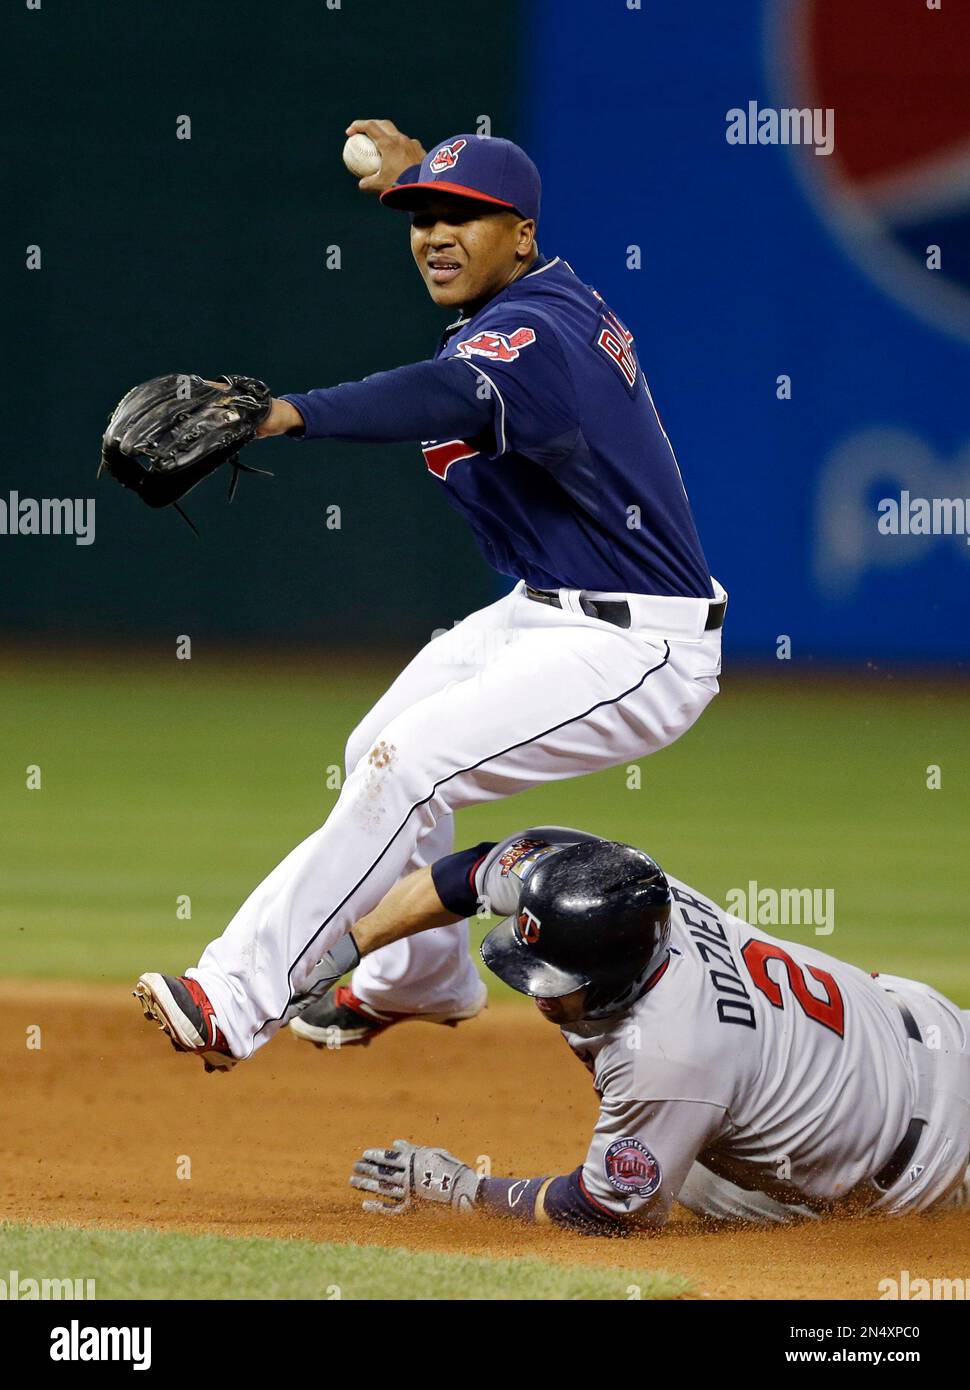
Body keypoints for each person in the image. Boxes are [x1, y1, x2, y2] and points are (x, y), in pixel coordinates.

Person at [134, 122, 725, 1071]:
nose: (434, 236)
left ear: (524, 236)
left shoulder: (536, 337)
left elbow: (439, 395)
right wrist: (421, 177)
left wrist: (290, 413)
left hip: (639, 647)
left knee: (410, 766)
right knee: (374, 751)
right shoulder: (537, 292)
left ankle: (237, 994)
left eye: (465, 219)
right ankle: (424, 976)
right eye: (422, 221)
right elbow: (459, 295)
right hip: (549, 607)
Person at [341, 826, 970, 1232]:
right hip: (927, 1023)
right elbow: (471, 874)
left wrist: (467, 1189)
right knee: (694, 1153)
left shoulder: (670, 1054)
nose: (538, 996)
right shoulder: (613, 884)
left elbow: (605, 1211)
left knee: (682, 1178)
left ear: (618, 978)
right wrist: (352, 945)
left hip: (938, 1158)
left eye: (558, 983)